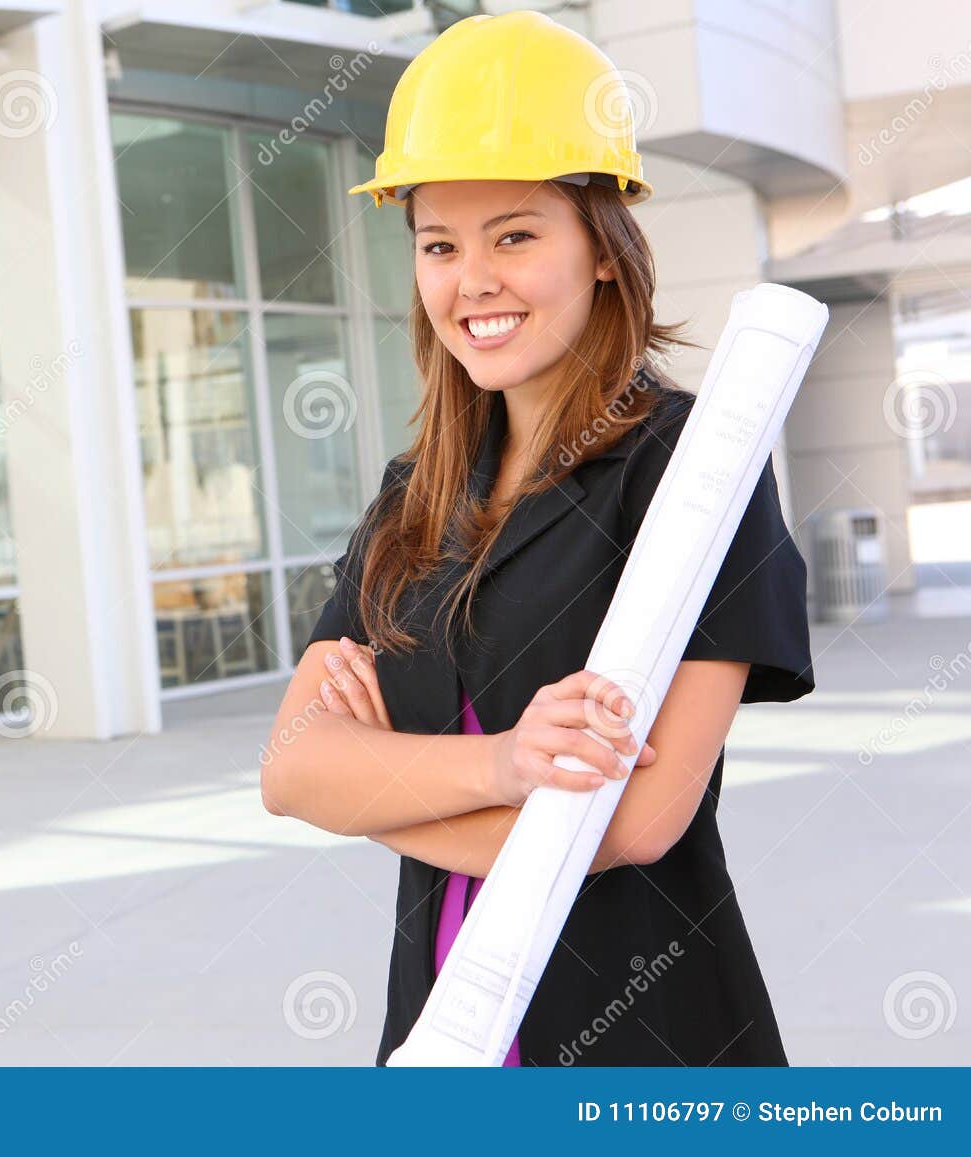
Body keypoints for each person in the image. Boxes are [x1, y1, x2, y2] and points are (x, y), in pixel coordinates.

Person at [260, 10, 813, 1066]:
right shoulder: (412, 498)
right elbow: (291, 768)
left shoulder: (692, 468)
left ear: (601, 250)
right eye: (438, 244)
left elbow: (639, 821)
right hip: (439, 1036)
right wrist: (510, 762)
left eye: (515, 234)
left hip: (640, 1035)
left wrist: (379, 792)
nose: (472, 281)